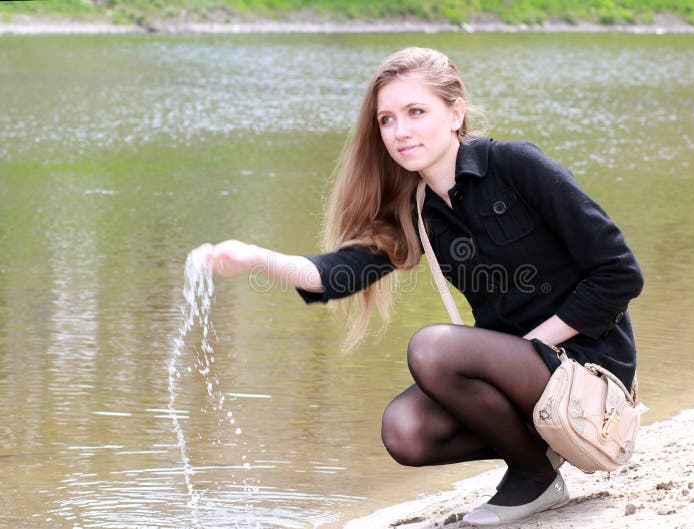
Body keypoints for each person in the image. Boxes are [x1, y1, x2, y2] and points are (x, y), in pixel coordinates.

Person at [198, 47, 644, 526]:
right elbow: (337, 274)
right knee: (405, 431)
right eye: (387, 120)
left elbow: (620, 273)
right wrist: (253, 258)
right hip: (515, 373)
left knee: (432, 347)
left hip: (590, 372)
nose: (400, 131)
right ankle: (537, 471)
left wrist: (534, 344)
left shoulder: (515, 166)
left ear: (455, 113)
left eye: (416, 112)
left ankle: (527, 480)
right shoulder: (416, 211)